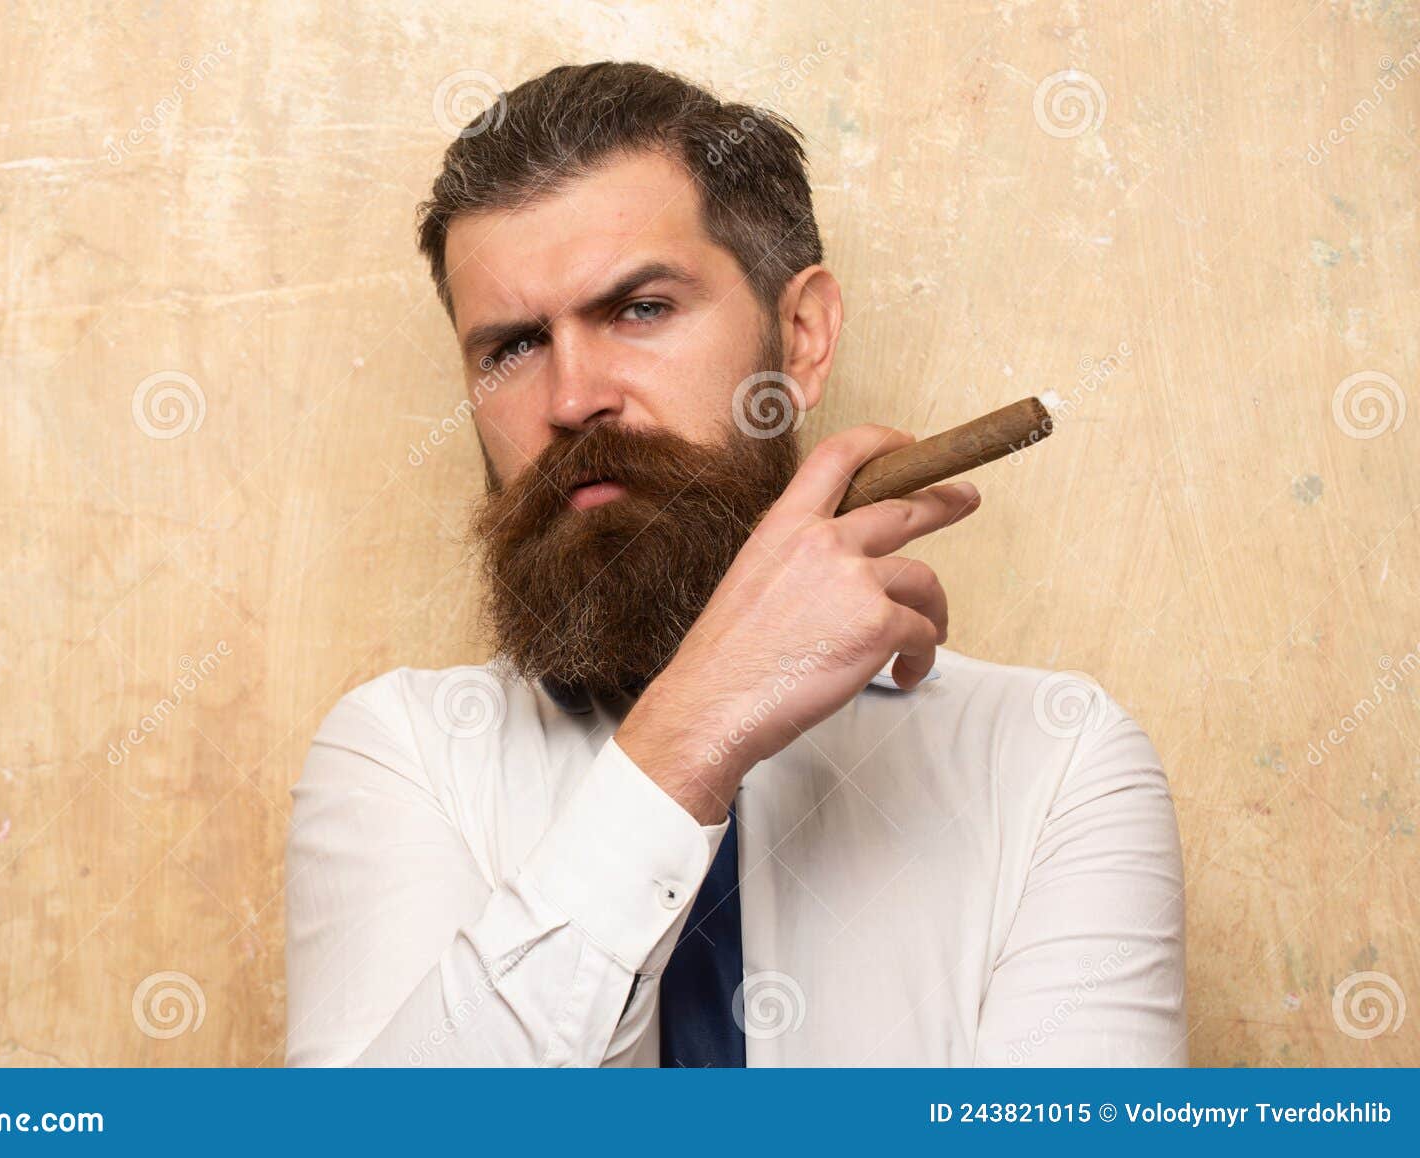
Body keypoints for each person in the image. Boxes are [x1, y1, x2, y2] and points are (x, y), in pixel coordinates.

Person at [285, 61, 1186, 1067]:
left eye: (639, 310)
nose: (574, 397)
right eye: (511, 347)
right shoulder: (403, 755)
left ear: (800, 338)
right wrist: (690, 737)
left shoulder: (1056, 763)